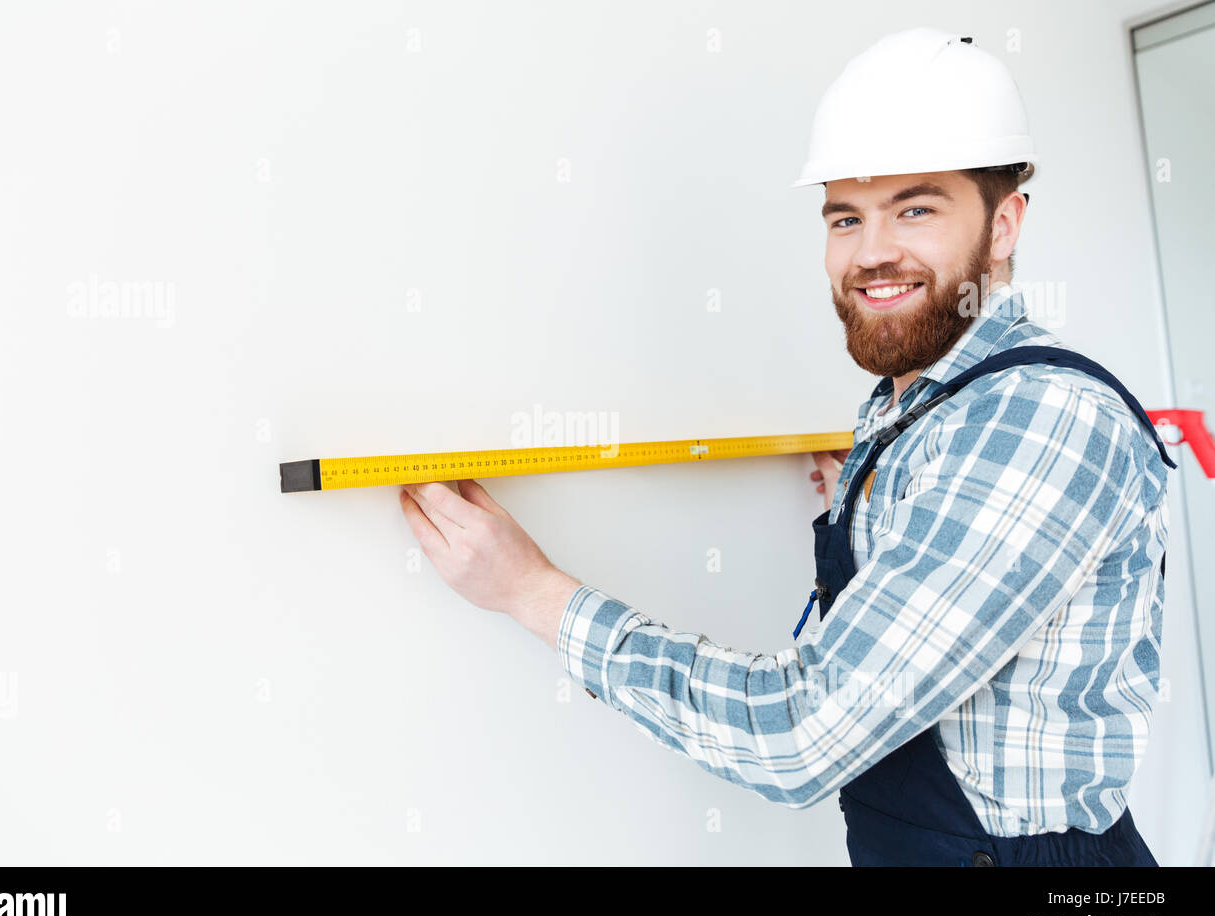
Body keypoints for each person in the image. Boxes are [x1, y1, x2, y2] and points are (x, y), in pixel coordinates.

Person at [397, 28, 1176, 866]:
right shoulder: (923, 408)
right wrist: (888, 498)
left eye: (915, 208)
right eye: (847, 216)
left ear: (1004, 224)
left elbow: (800, 737)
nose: (872, 251)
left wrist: (531, 591)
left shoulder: (1041, 422)